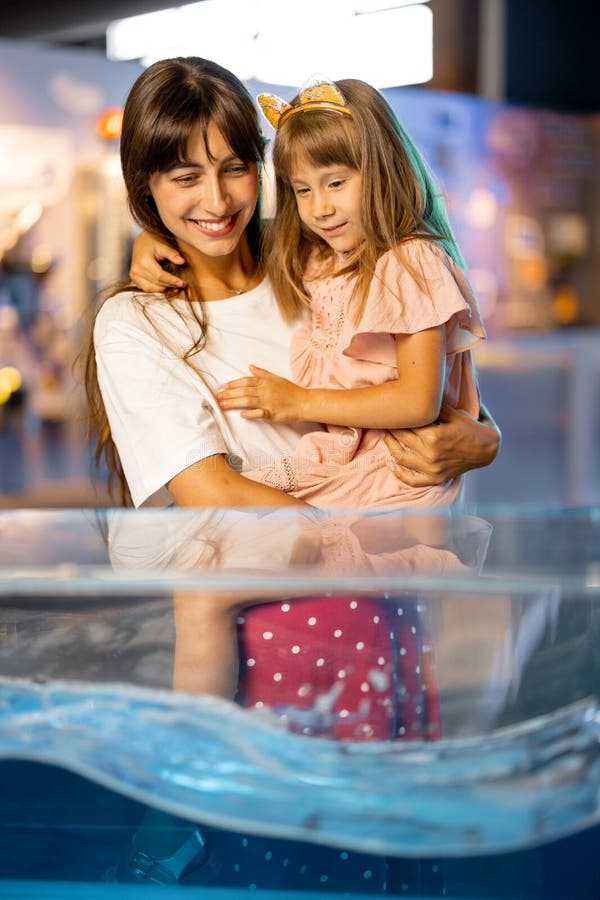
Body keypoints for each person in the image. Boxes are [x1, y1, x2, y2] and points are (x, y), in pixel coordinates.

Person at [85, 56, 497, 888]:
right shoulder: (137, 319)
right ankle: (178, 806)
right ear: (146, 187)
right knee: (281, 859)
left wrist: (479, 435)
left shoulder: (314, 265)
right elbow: (210, 493)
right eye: (184, 177)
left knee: (378, 846)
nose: (218, 199)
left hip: (363, 589)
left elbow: (415, 384)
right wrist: (349, 531)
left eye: (236, 167)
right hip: (276, 591)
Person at [215, 79, 486, 510]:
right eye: (302, 190)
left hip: (398, 481)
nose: (319, 207)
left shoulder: (410, 261)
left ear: (381, 169)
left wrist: (298, 401)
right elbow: (224, 237)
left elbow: (418, 401)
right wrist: (149, 243)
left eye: (336, 183)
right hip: (356, 464)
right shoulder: (321, 258)